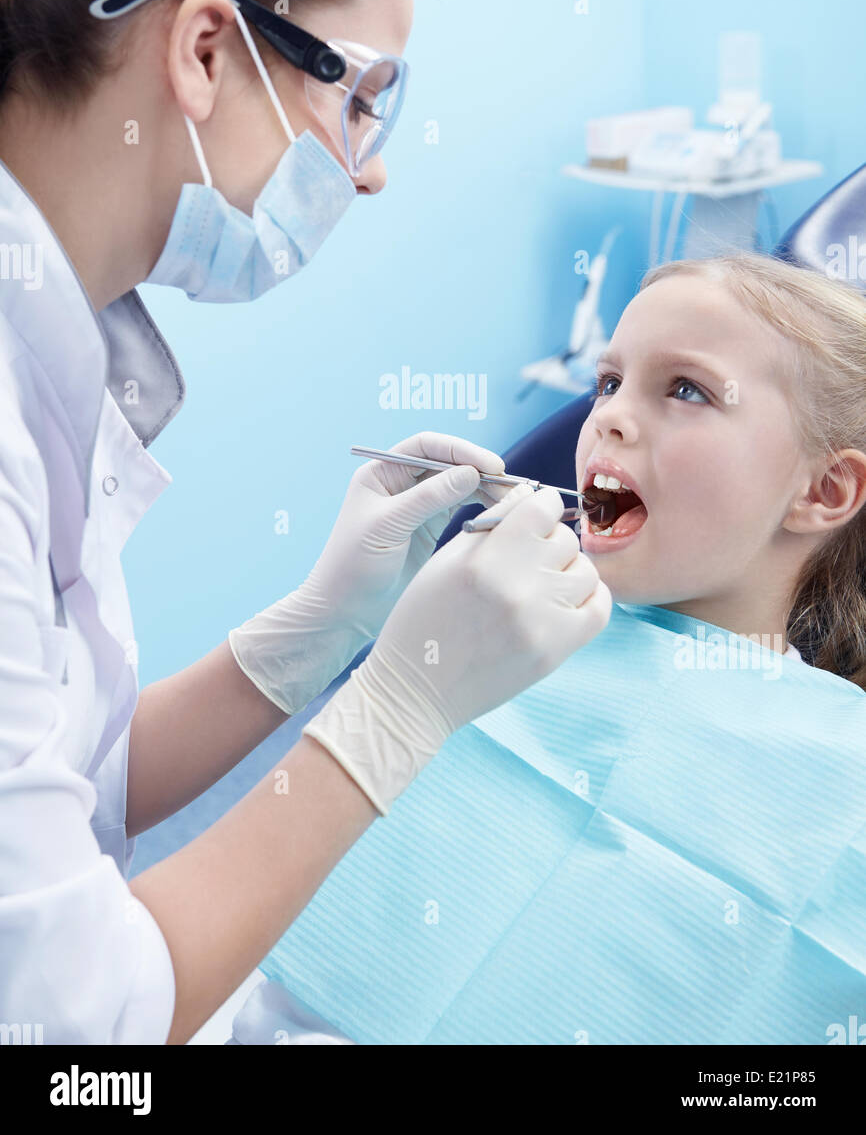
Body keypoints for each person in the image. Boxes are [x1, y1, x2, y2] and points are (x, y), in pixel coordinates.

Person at [0, 0, 612, 1045]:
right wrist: (396, 705)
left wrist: (305, 638)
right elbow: (75, 1032)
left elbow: (57, 791)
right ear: (207, 48)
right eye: (360, 95)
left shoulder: (53, 334)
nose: (371, 166)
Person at [229, 249, 866, 1044]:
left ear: (823, 491)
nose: (609, 417)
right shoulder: (493, 631)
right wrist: (332, 629)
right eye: (608, 382)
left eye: (686, 389)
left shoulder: (843, 777)